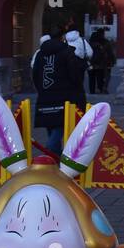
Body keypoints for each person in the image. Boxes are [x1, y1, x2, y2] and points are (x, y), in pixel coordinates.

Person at [32, 21, 86, 157]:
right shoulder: (67, 52)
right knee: (59, 127)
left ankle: (54, 158)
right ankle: (49, 154)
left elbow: (35, 74)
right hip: (64, 97)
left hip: (45, 96)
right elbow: (74, 75)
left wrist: (42, 89)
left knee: (51, 126)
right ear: (62, 37)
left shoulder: (40, 54)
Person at [88, 28, 116, 94]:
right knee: (100, 77)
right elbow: (110, 53)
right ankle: (101, 89)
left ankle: (92, 91)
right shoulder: (105, 42)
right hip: (100, 64)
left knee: (91, 78)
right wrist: (112, 61)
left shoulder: (89, 43)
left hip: (90, 64)